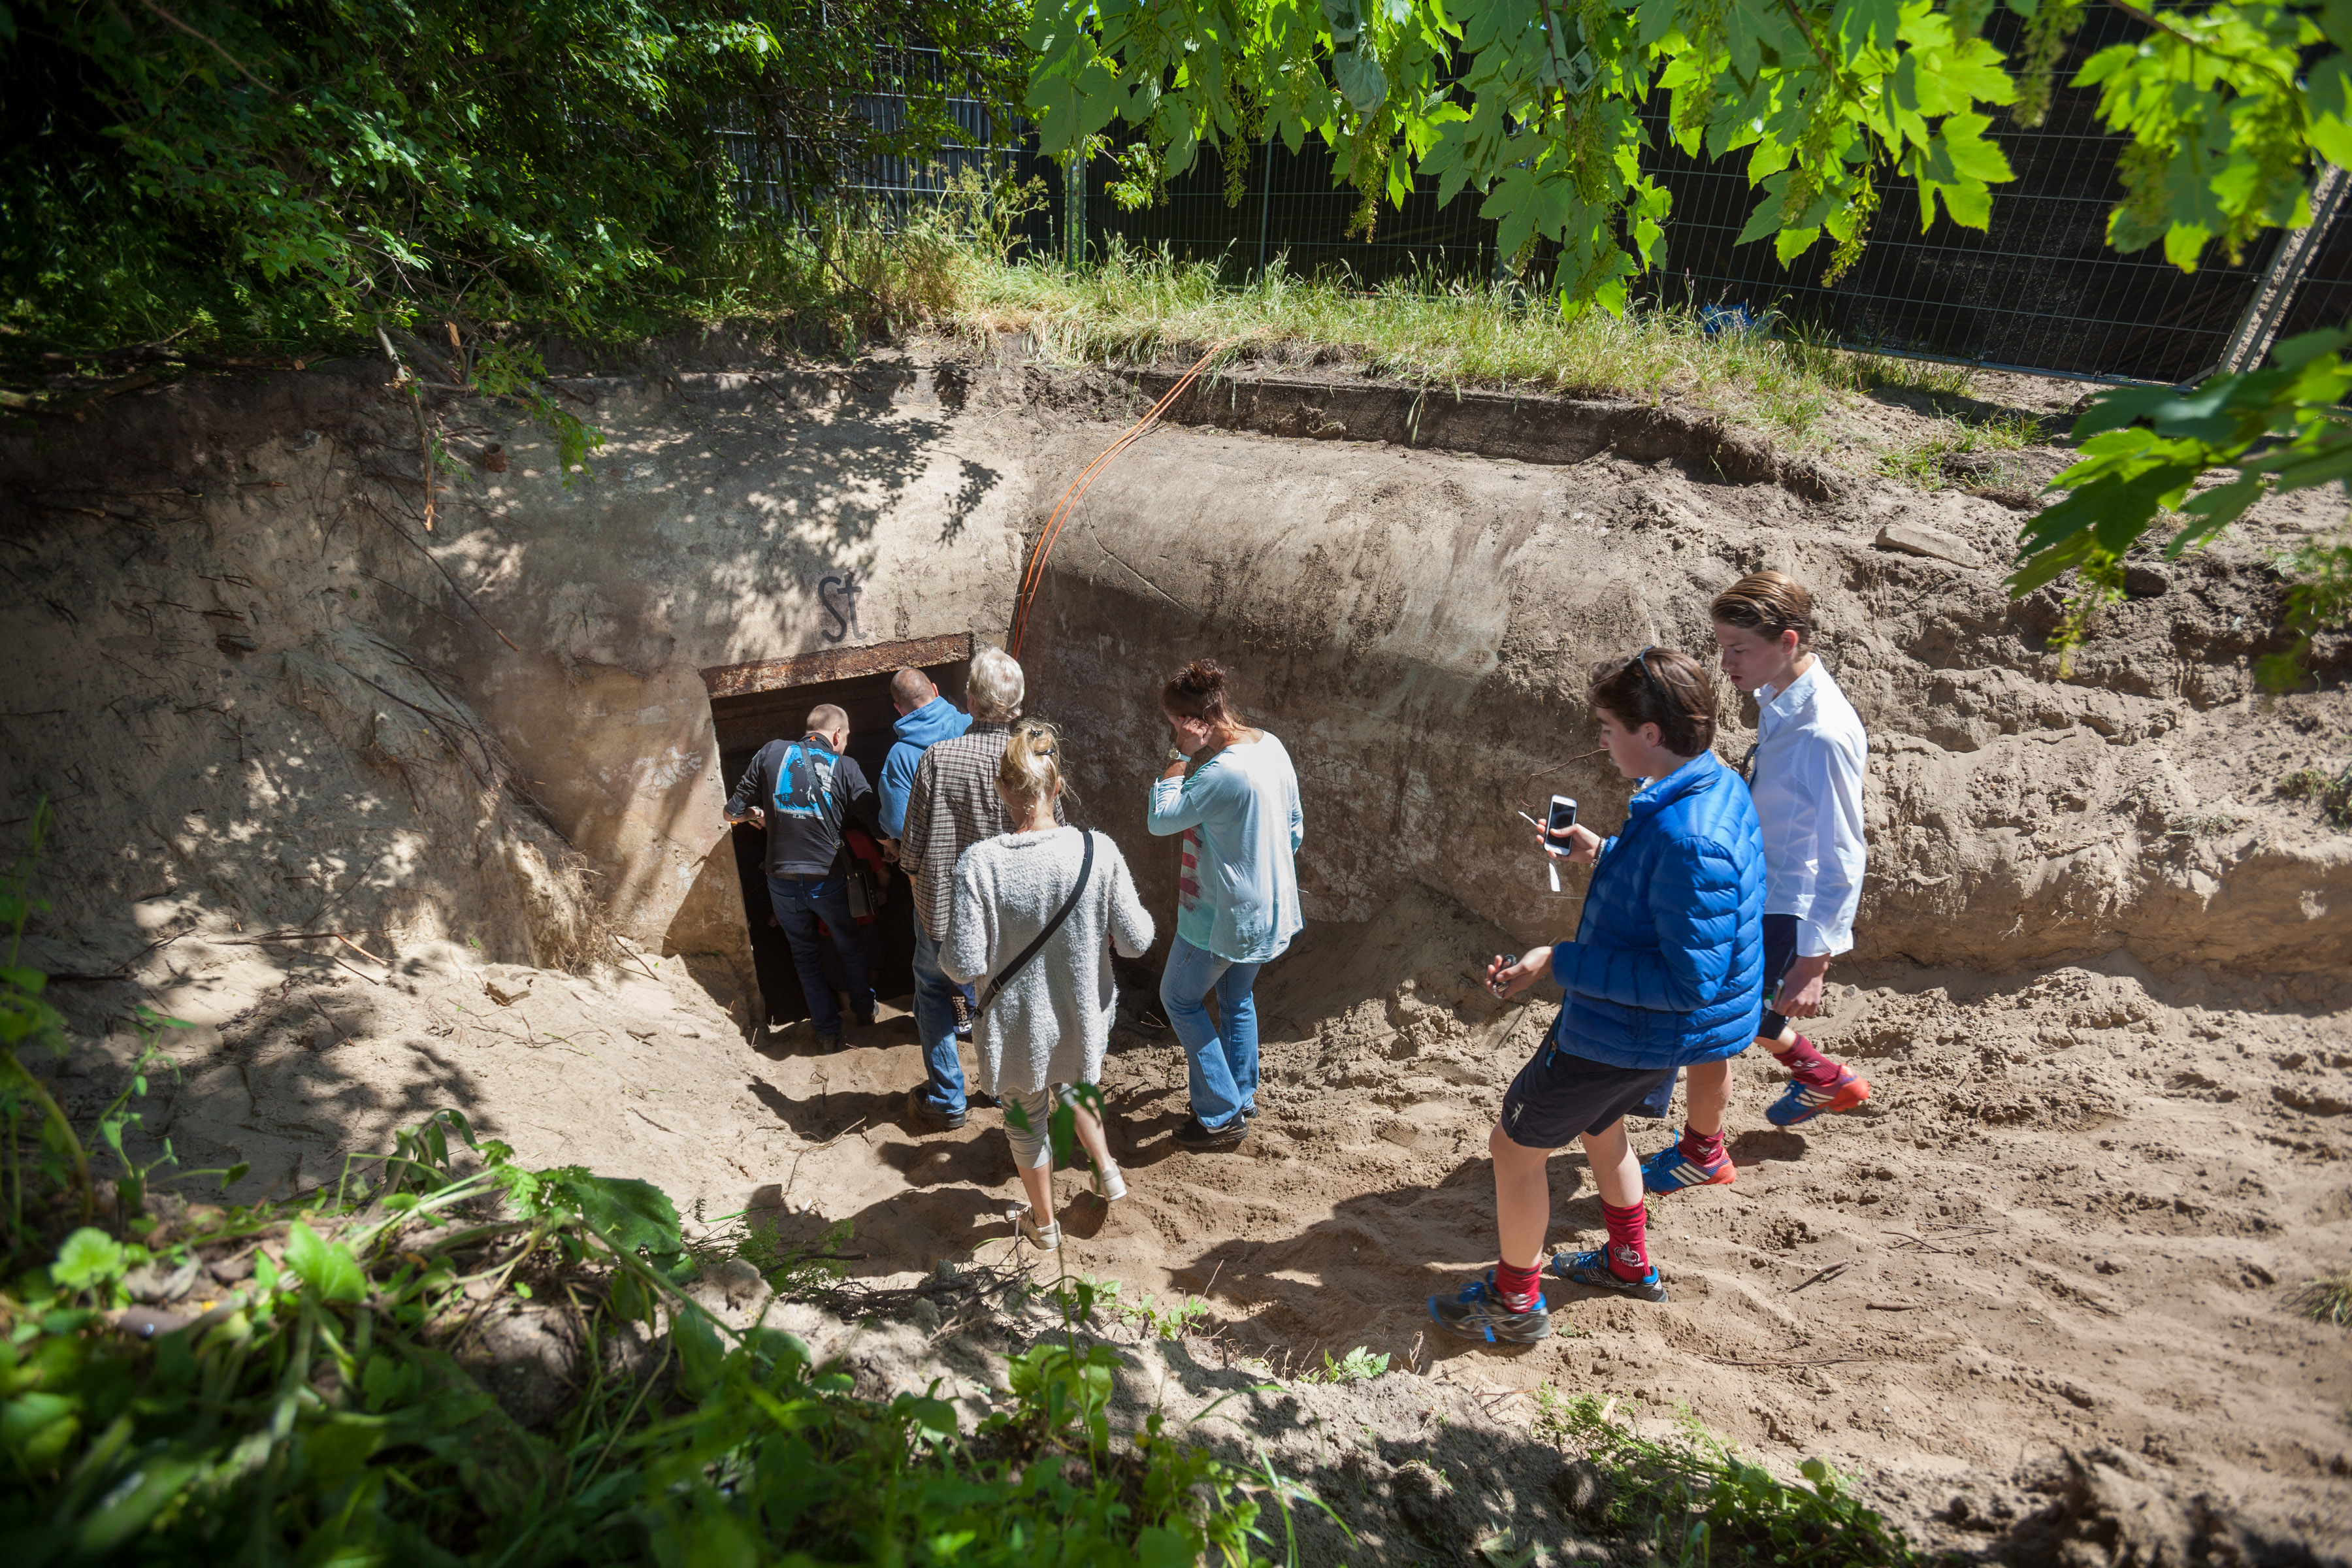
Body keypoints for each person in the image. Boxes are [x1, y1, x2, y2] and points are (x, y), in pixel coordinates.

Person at [1429, 647, 1763, 1345]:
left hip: (1621, 1033)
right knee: (1600, 1126)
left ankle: (1515, 1304)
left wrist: (1560, 961)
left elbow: (1685, 981)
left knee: (1514, 1149)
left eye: (1609, 726)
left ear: (1650, 732)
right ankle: (1626, 1260)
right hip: (1648, 1040)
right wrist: (1606, 852)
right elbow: (1684, 903)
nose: (1600, 739)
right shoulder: (1710, 787)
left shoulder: (1686, 836)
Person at [1640, 572, 1872, 1195]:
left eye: (1738, 648)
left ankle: (1702, 1153)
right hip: (1755, 888)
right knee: (1739, 1014)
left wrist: (1816, 959)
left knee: (1710, 1022)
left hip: (1782, 906)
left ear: (1787, 640)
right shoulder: (1781, 697)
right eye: (1721, 646)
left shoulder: (1821, 732)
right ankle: (1823, 1077)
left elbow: (1845, 851)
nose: (1725, 662)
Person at [944, 719, 1155, 1247]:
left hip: (1015, 1030)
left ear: (1003, 789)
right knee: (1078, 1084)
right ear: (1056, 786)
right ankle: (1106, 1172)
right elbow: (1136, 941)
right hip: (1080, 1015)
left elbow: (962, 962)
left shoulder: (980, 864)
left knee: (1025, 1121)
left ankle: (1045, 1225)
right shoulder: (1097, 850)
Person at [1144, 659, 1303, 1151]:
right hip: (1267, 910)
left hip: (1220, 918)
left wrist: (1179, 755)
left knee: (1180, 999)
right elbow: (1295, 827)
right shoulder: (1270, 745)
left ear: (1194, 723)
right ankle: (1242, 1094)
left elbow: (1161, 818)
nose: (1174, 733)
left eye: (1175, 725)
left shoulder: (1218, 772)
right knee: (1236, 999)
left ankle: (1219, 1115)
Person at [898, 647, 1057, 1131]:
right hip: (1018, 915)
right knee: (1009, 996)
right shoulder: (1036, 760)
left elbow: (912, 851)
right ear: (1020, 701)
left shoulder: (938, 758)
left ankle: (948, 1099)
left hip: (947, 915)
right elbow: (1057, 838)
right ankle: (1010, 1093)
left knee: (934, 990)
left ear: (970, 701)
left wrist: (915, 883)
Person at [723, 704, 885, 1053]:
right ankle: (863, 1010)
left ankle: (827, 1032)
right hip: (827, 878)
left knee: (804, 953)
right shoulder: (846, 766)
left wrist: (758, 814)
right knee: (849, 943)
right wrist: (890, 846)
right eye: (846, 739)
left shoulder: (770, 752)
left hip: (781, 880)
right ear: (838, 735)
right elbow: (870, 814)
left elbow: (731, 812)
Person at [880, 666, 978, 1041]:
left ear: (898, 709)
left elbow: (895, 823)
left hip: (935, 876)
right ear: (936, 689)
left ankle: (946, 1083)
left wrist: (894, 846)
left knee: (931, 968)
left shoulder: (900, 756)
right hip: (987, 864)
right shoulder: (971, 728)